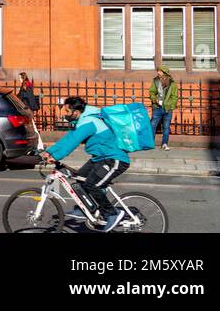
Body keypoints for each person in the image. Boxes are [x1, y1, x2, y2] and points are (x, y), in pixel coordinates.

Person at [40, 96, 131, 232]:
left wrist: (56, 156)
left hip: (114, 159)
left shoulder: (89, 121)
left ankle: (112, 213)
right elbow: (68, 138)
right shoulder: (82, 120)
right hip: (100, 158)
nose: (65, 114)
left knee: (91, 184)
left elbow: (73, 142)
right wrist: (49, 152)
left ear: (76, 111)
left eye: (67, 111)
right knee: (79, 179)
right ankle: (84, 209)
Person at [149, 66, 179, 151]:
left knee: (166, 127)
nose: (158, 72)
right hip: (157, 107)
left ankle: (164, 144)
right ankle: (151, 143)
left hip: (167, 108)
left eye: (160, 71)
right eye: (158, 71)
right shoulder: (155, 81)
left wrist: (170, 106)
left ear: (164, 72)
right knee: (152, 125)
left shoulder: (172, 83)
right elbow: (151, 92)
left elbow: (175, 97)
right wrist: (155, 100)